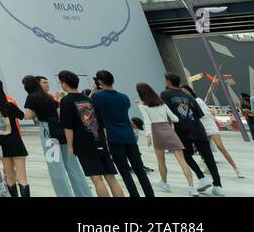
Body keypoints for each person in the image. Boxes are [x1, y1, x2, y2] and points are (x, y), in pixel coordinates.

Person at [23, 74, 91, 198]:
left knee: (56, 168)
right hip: (62, 131)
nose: (47, 84)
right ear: (37, 83)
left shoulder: (32, 97)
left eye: (47, 82)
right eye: (44, 82)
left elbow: (28, 115)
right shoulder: (51, 98)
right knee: (73, 167)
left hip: (49, 133)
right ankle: (84, 194)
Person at [58, 70, 123, 197]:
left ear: (64, 84)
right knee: (111, 179)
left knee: (97, 180)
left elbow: (68, 127)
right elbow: (101, 124)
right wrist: (104, 141)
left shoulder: (66, 101)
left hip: (84, 144)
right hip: (99, 140)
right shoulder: (89, 99)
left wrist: (70, 146)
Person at [90, 69, 152, 197]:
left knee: (124, 171)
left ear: (99, 82)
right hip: (129, 136)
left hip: (114, 138)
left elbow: (89, 108)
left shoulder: (97, 96)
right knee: (139, 169)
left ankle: (134, 195)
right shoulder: (123, 97)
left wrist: (94, 90)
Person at [161, 72, 222, 196]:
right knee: (208, 157)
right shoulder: (189, 96)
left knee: (185, 156)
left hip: (182, 131)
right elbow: (200, 114)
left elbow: (165, 113)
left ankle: (201, 177)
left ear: (168, 81)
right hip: (198, 129)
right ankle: (218, 186)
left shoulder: (164, 94)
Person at [136, 82, 197, 195]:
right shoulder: (162, 104)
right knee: (182, 161)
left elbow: (148, 122)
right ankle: (192, 187)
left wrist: (148, 135)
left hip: (156, 131)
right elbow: (175, 119)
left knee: (161, 160)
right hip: (168, 130)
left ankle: (164, 183)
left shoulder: (142, 105)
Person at [184, 84, 245, 179]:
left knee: (221, 147)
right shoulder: (187, 102)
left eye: (186, 91)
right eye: (183, 92)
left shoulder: (198, 100)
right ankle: (208, 167)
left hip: (209, 125)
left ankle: (236, 169)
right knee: (203, 149)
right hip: (200, 127)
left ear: (190, 91)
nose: (185, 93)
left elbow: (203, 114)